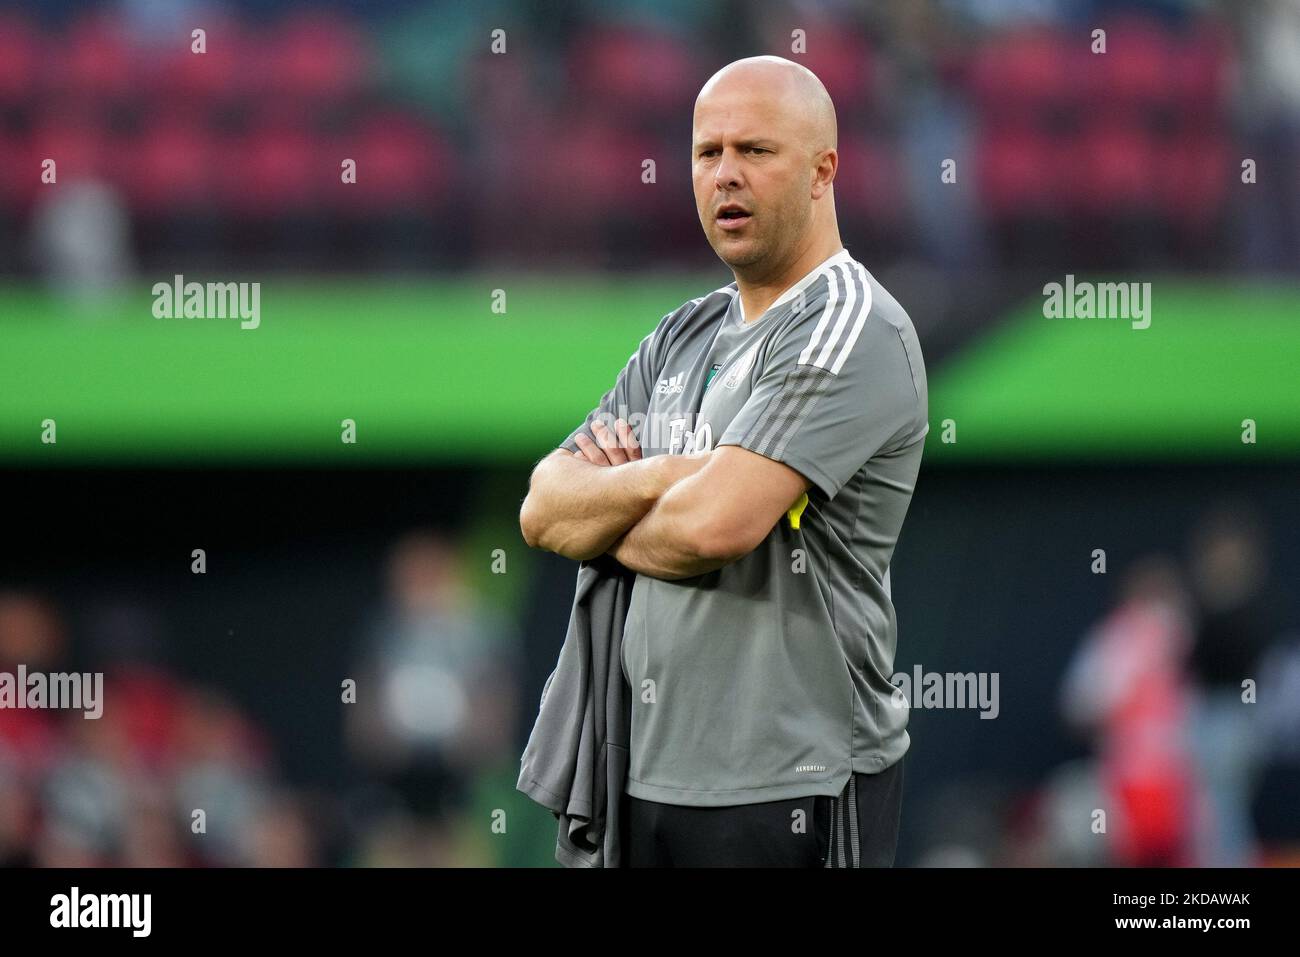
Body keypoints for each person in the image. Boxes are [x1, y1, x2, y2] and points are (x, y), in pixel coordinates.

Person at [520, 56, 928, 867]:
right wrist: (665, 475)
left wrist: (610, 509)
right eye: (708, 154)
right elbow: (542, 509)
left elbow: (715, 527)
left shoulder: (853, 326)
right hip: (641, 773)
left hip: (788, 787)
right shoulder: (682, 334)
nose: (726, 175)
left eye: (756, 151)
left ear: (824, 171)